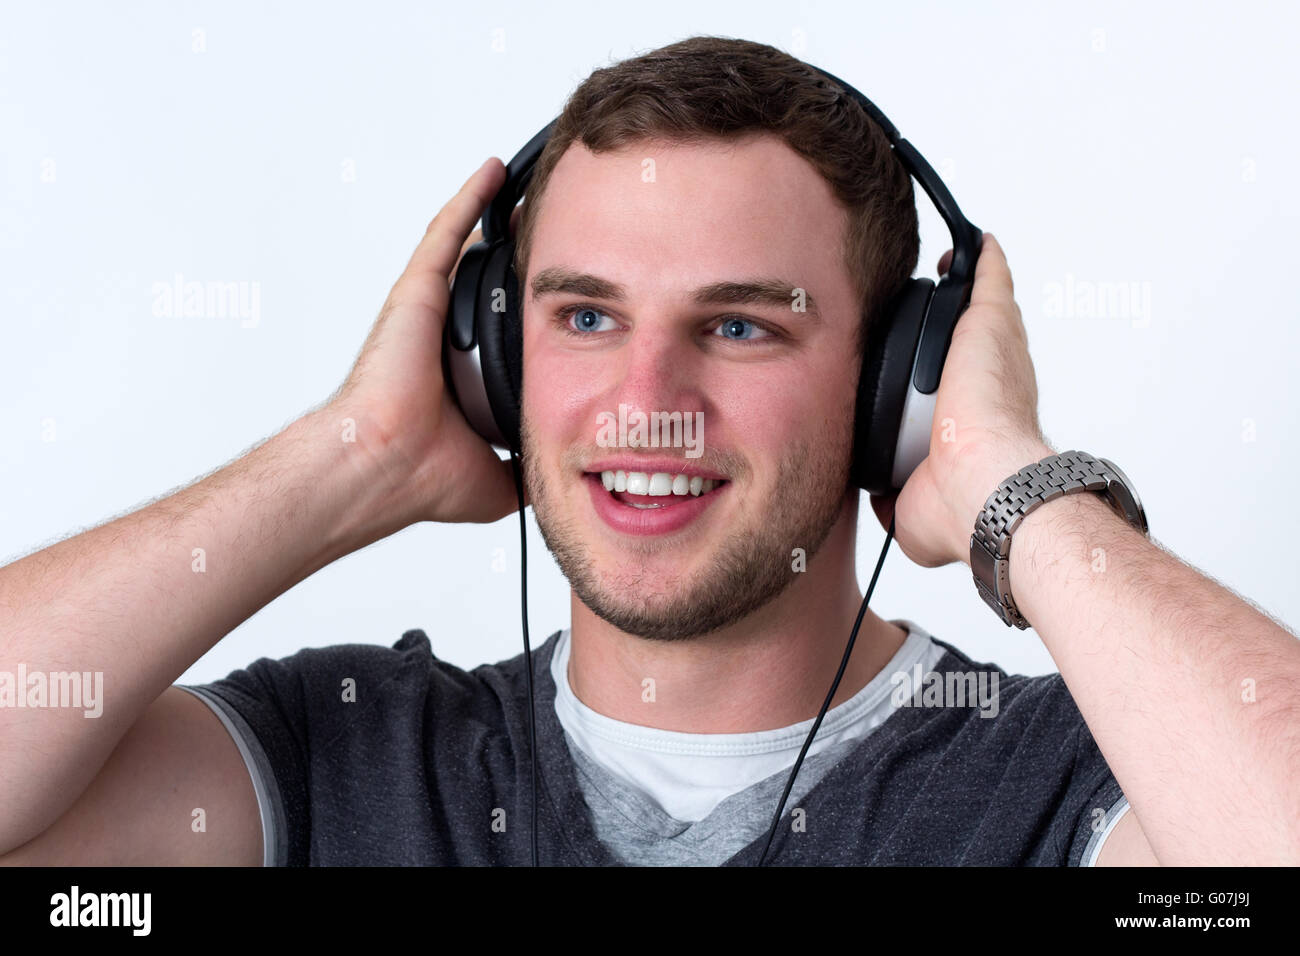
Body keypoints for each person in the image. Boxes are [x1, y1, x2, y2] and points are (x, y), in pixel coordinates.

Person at [2, 36, 1295, 867]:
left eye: (737, 325)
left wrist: (1014, 486)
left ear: (898, 379)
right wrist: (357, 455)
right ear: (491, 360)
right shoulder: (342, 760)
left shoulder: (1067, 789)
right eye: (584, 316)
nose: (647, 400)